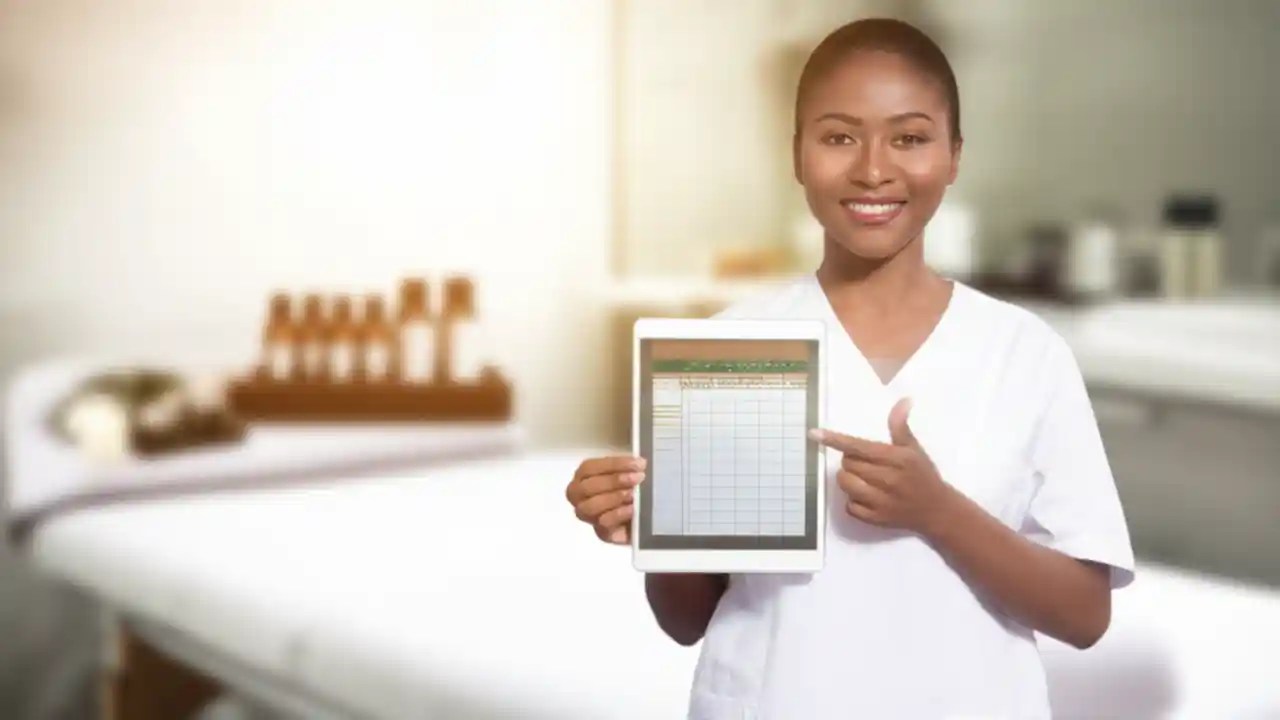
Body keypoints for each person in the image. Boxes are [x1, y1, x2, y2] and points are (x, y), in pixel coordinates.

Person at [564, 17, 1134, 720]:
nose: (872, 168)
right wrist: (651, 521)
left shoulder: (1024, 352)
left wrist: (938, 512)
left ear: (955, 155)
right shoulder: (729, 347)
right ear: (797, 155)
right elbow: (686, 620)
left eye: (910, 137)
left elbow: (1085, 615)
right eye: (838, 137)